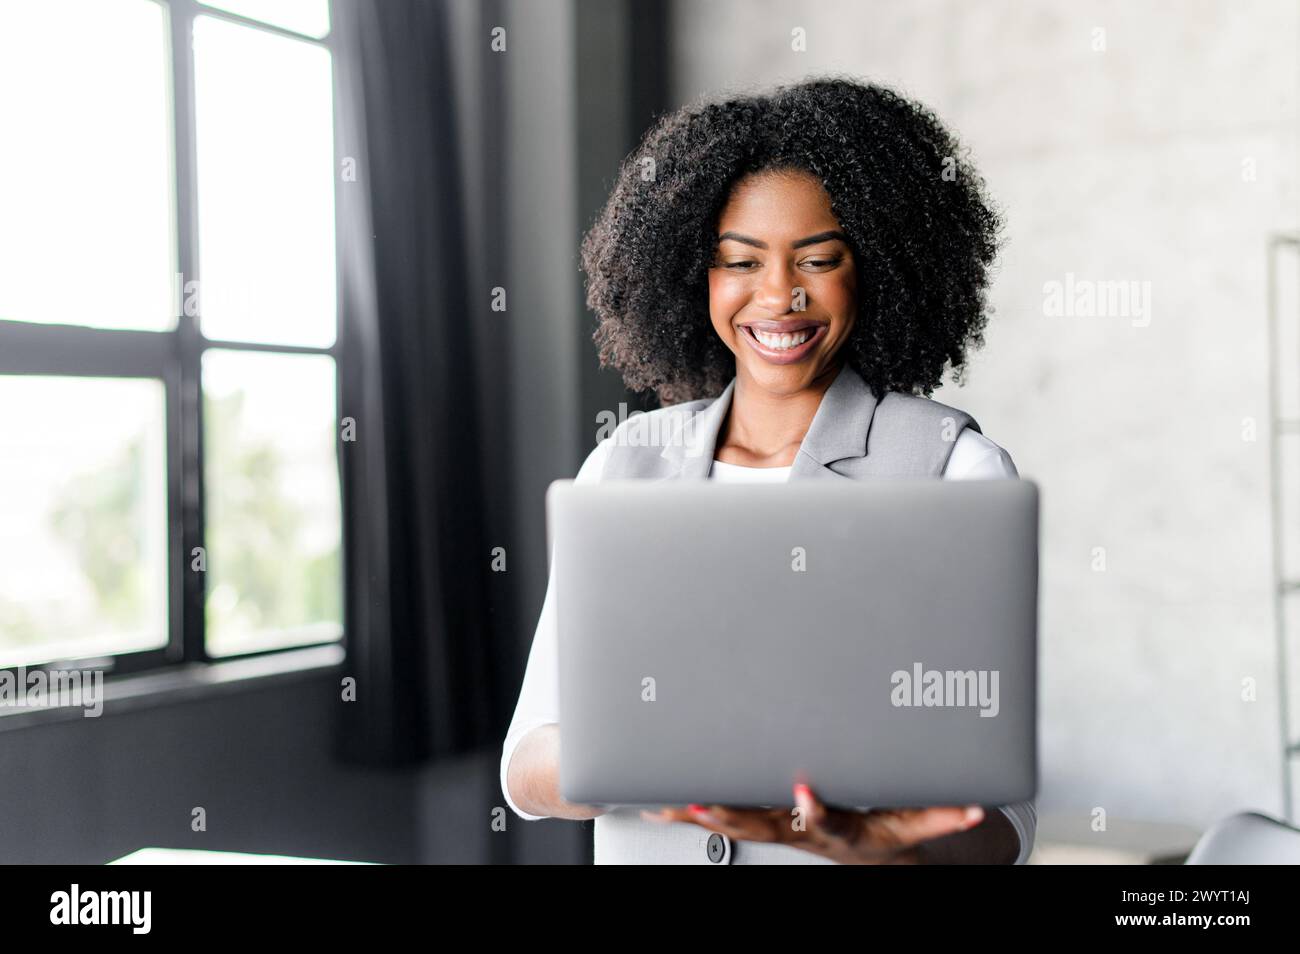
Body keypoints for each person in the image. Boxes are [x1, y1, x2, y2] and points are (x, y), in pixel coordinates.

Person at [501, 76, 1035, 864]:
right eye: (739, 262)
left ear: (878, 268)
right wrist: (658, 752)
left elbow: (1004, 829)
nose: (779, 296)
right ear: (694, 275)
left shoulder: (955, 470)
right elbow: (526, 771)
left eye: (818, 259)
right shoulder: (623, 461)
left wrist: (875, 843)